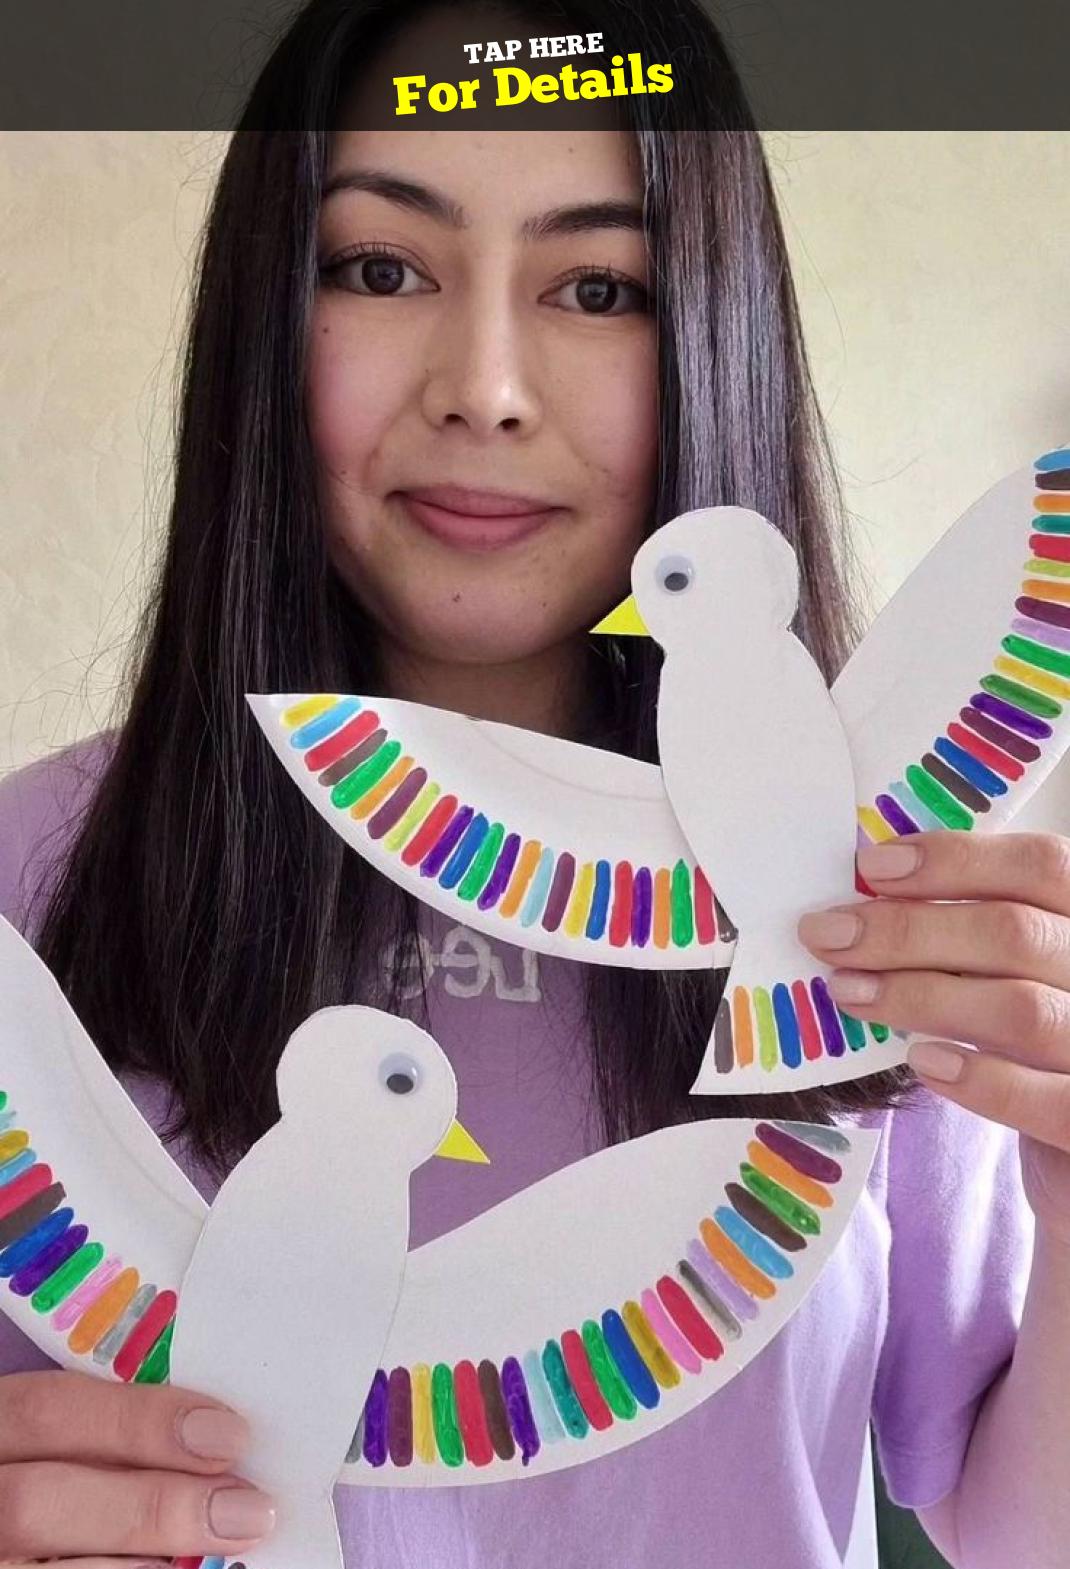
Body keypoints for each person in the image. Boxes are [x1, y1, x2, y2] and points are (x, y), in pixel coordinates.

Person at [1, 2, 1068, 1566]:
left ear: (707, 334)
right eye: (377, 267)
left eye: (596, 286)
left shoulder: (880, 914)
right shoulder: (32, 879)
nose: (485, 386)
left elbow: (1018, 1529)